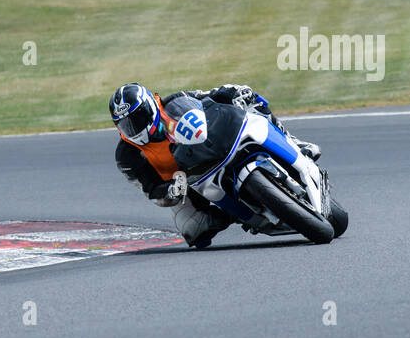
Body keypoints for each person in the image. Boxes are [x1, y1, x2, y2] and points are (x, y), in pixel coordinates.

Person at [110, 82, 320, 248]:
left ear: (150, 106)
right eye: (126, 125)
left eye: (137, 118)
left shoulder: (177, 102)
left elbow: (210, 96)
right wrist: (172, 190)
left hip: (215, 146)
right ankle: (234, 213)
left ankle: (293, 141)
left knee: (255, 105)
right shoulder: (127, 156)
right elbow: (151, 190)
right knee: (194, 231)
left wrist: (234, 91)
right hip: (188, 185)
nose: (133, 128)